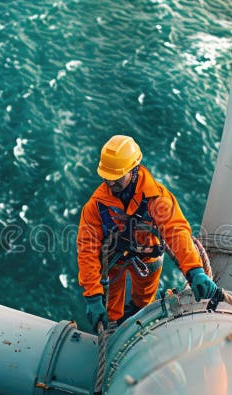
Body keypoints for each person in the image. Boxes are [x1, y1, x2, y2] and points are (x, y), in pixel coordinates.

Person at [76, 135, 219, 329]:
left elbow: (176, 232)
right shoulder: (95, 206)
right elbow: (87, 249)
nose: (110, 184)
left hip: (148, 261)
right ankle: (114, 329)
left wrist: (195, 271)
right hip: (114, 262)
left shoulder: (157, 199)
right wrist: (93, 296)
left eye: (117, 179)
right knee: (111, 311)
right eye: (106, 178)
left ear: (133, 170)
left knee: (143, 305)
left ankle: (136, 322)